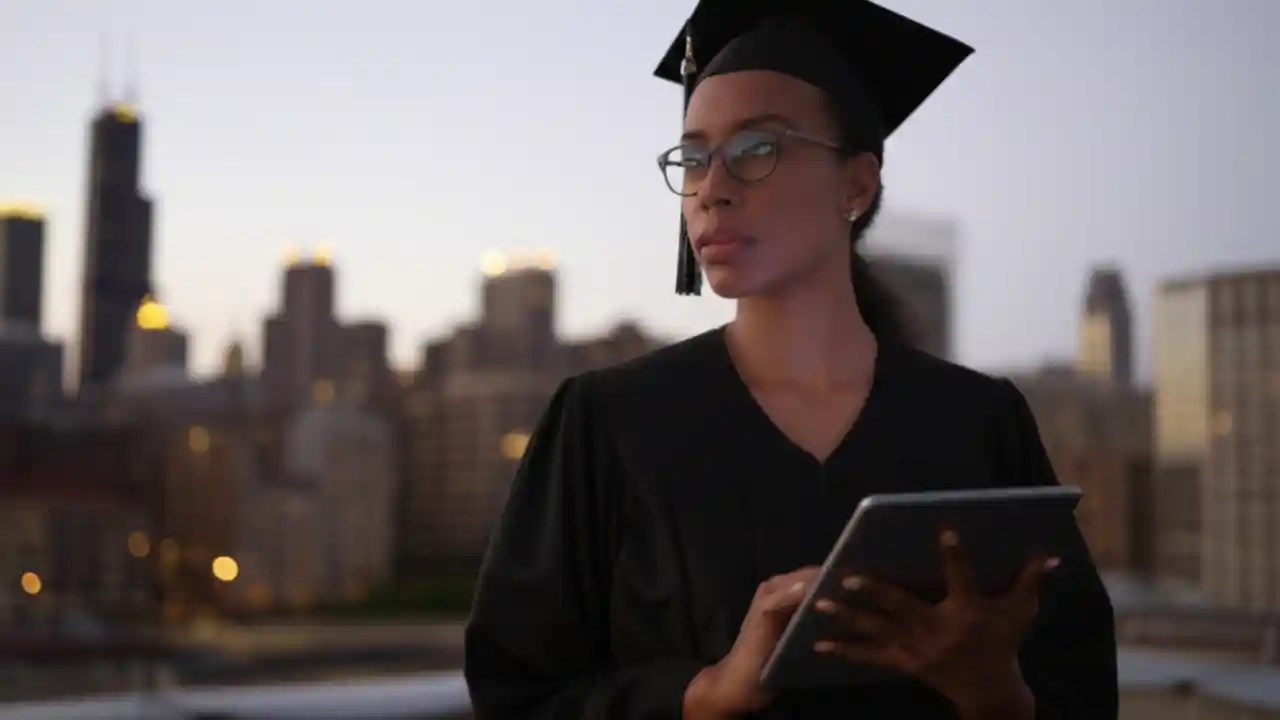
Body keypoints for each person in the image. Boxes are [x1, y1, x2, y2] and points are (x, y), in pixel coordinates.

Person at [464, 1, 1118, 717]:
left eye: (755, 150)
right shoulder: (606, 423)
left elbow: (1078, 687)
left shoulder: (976, 421)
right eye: (693, 157)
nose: (711, 188)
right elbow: (517, 693)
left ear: (856, 185)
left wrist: (995, 693)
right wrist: (703, 695)